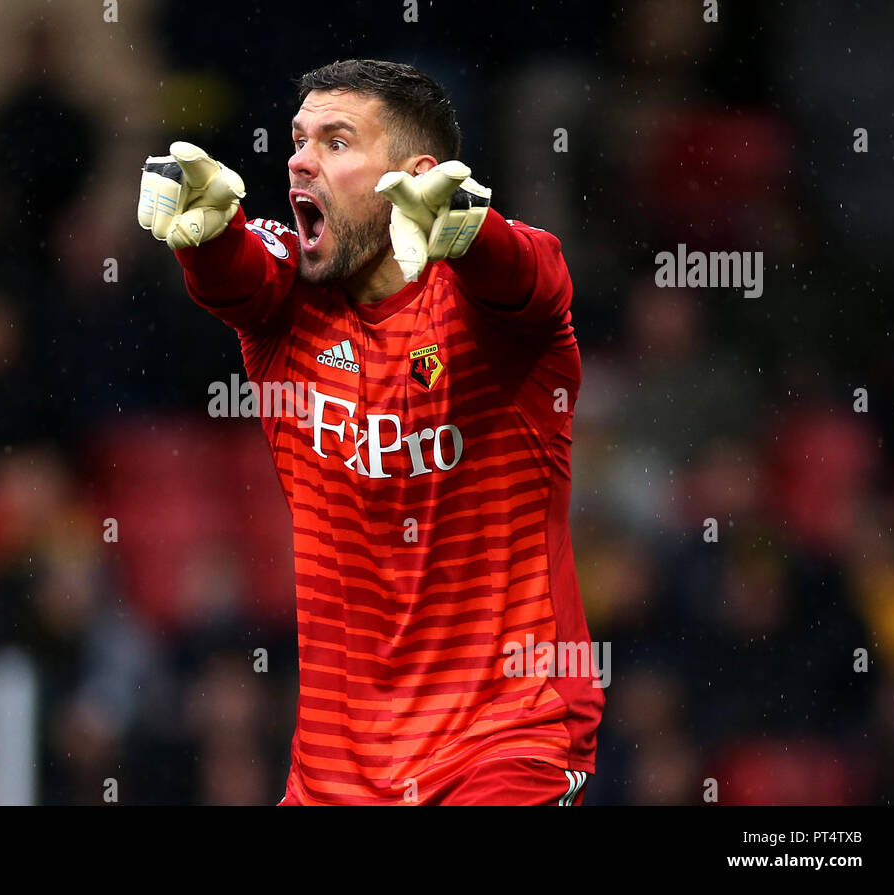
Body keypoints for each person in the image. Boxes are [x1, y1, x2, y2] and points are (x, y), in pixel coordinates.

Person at [137, 58, 603, 805]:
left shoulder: (496, 318)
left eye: (337, 140)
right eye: (298, 139)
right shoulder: (292, 305)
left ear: (414, 174)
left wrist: (472, 232)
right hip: (335, 776)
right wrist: (203, 240)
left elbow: (532, 276)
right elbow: (240, 274)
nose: (299, 158)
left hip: (508, 740)